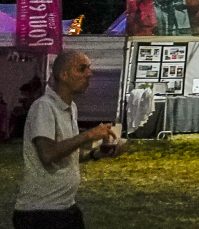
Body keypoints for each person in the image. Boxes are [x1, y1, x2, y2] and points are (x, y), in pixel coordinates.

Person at [16, 49, 122, 228]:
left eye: (89, 68)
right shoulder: (44, 107)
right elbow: (48, 154)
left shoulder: (70, 107)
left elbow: (68, 152)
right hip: (41, 213)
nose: (90, 74)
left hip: (65, 207)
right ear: (63, 75)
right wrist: (88, 135)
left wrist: (97, 153)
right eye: (82, 69)